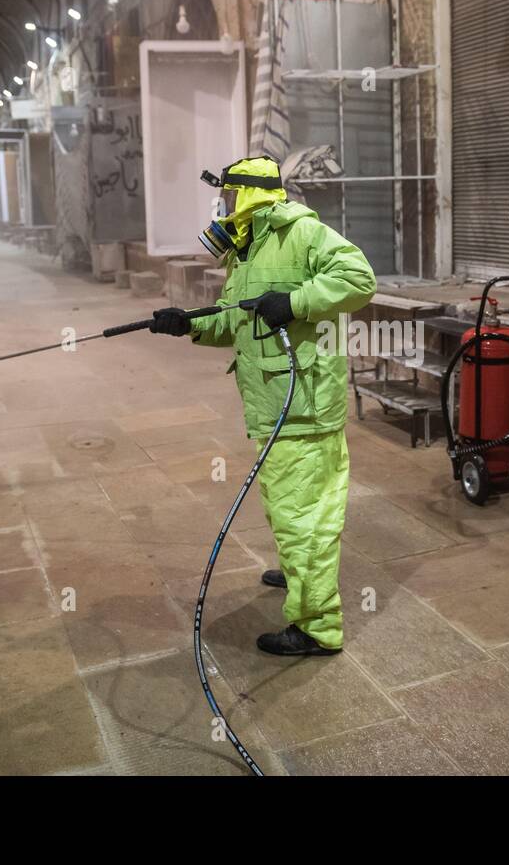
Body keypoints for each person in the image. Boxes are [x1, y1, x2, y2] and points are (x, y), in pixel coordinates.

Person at [148, 156, 376, 656]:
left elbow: (359, 278)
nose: (222, 207)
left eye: (228, 197)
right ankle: (300, 577)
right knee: (285, 506)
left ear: (247, 196)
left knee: (303, 517)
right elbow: (234, 320)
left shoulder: (302, 233)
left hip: (302, 404)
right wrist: (186, 323)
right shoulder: (246, 251)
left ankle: (317, 628)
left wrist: (294, 303)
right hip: (274, 405)